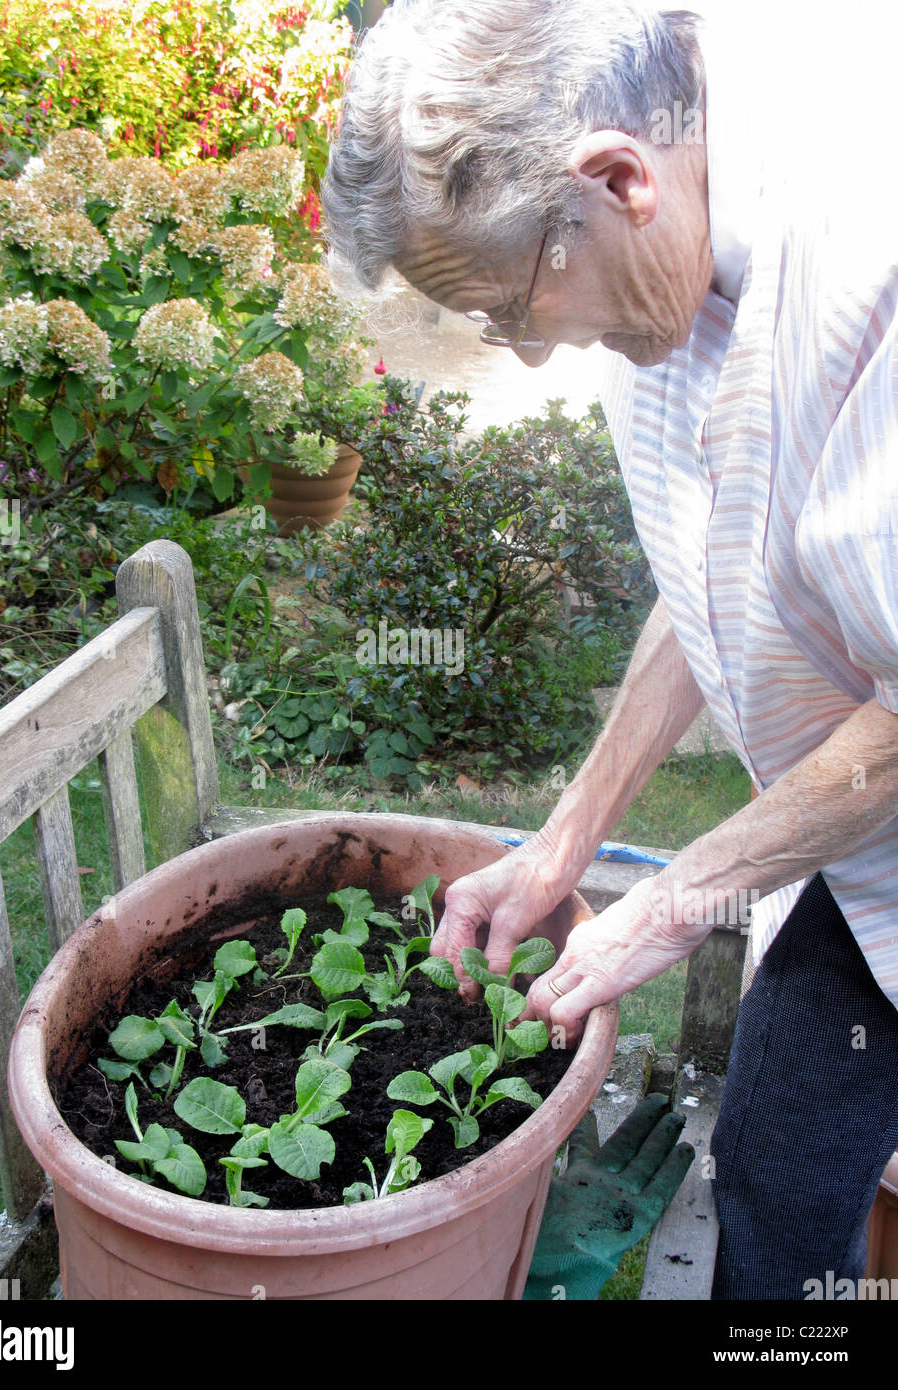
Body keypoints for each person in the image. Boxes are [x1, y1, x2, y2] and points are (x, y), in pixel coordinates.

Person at [321, 0, 898, 1299]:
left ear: (619, 179)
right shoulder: (663, 251)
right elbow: (720, 575)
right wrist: (568, 840)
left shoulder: (872, 244)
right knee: (778, 1164)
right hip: (872, 858)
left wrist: (667, 904)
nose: (532, 346)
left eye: (519, 300)